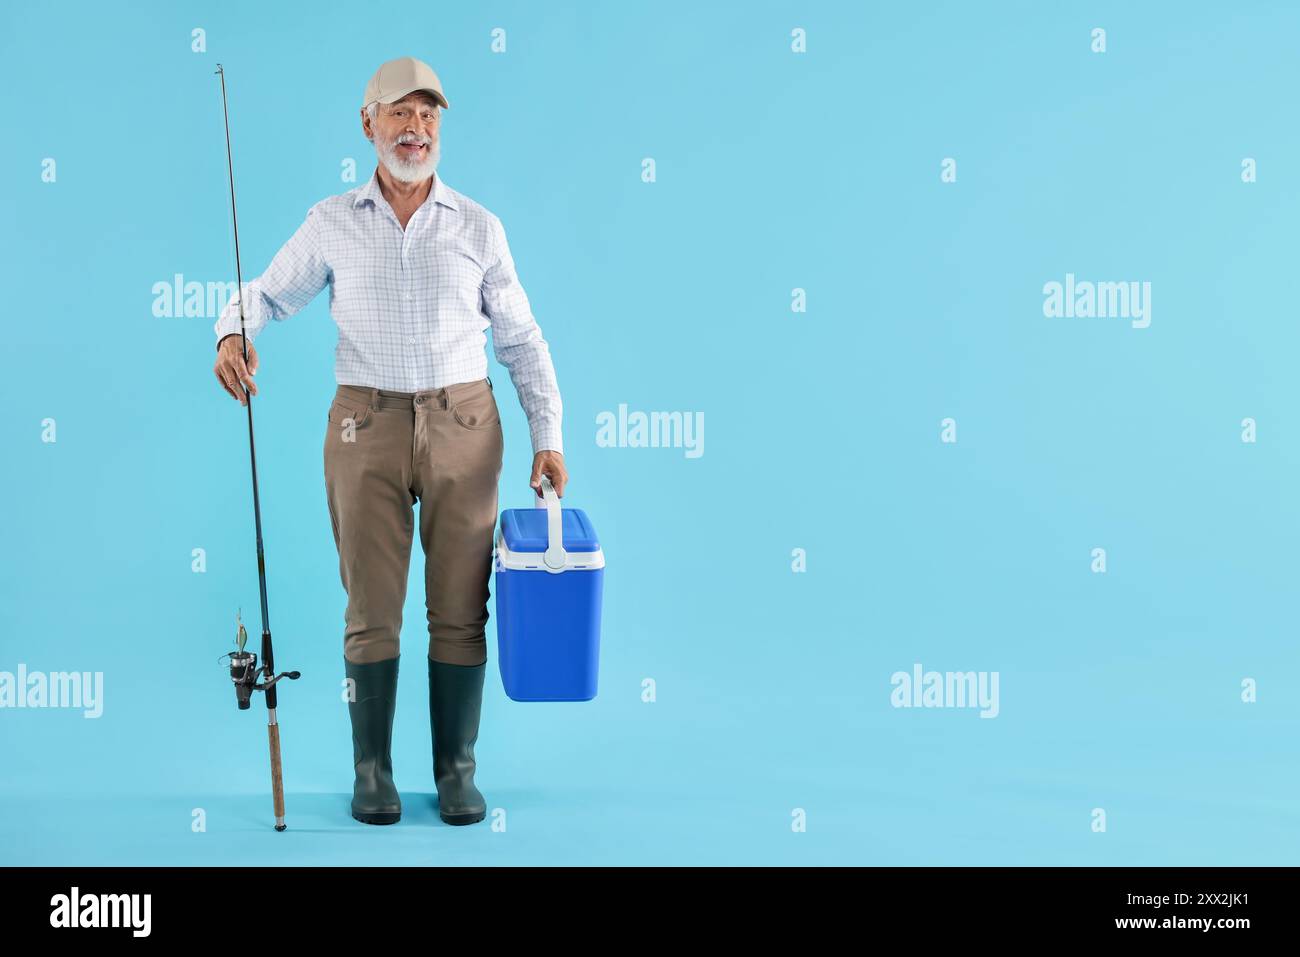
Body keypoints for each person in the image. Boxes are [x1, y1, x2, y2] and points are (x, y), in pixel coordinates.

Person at [211, 55, 568, 826]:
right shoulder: (332, 221)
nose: (417, 129)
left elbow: (522, 339)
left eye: (430, 114)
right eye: (400, 113)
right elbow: (267, 292)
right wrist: (233, 331)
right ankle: (370, 770)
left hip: (465, 426)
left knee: (459, 609)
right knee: (371, 606)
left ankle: (455, 770)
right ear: (367, 123)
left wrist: (549, 434)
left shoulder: (478, 226)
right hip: (364, 426)